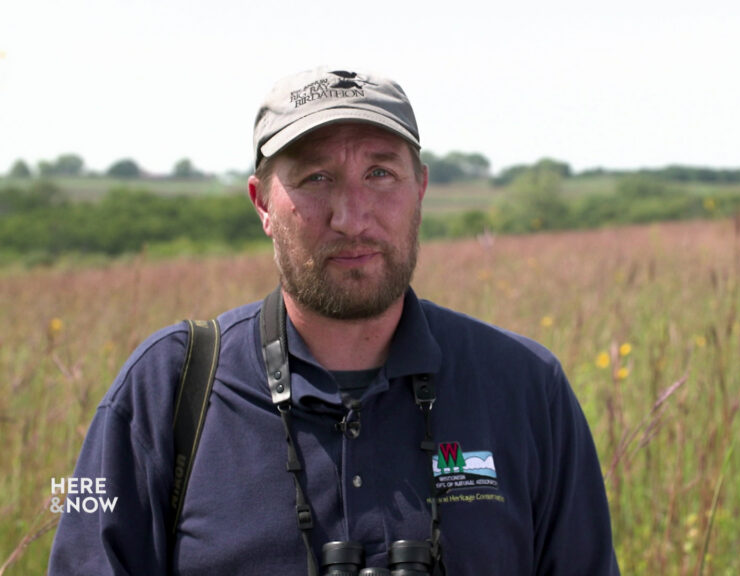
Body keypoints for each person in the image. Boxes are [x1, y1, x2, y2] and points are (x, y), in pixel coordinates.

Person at [48, 66, 620, 575]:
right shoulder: (167, 390)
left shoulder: (524, 387)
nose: (350, 218)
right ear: (262, 202)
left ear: (420, 188)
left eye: (380, 174)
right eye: (316, 178)